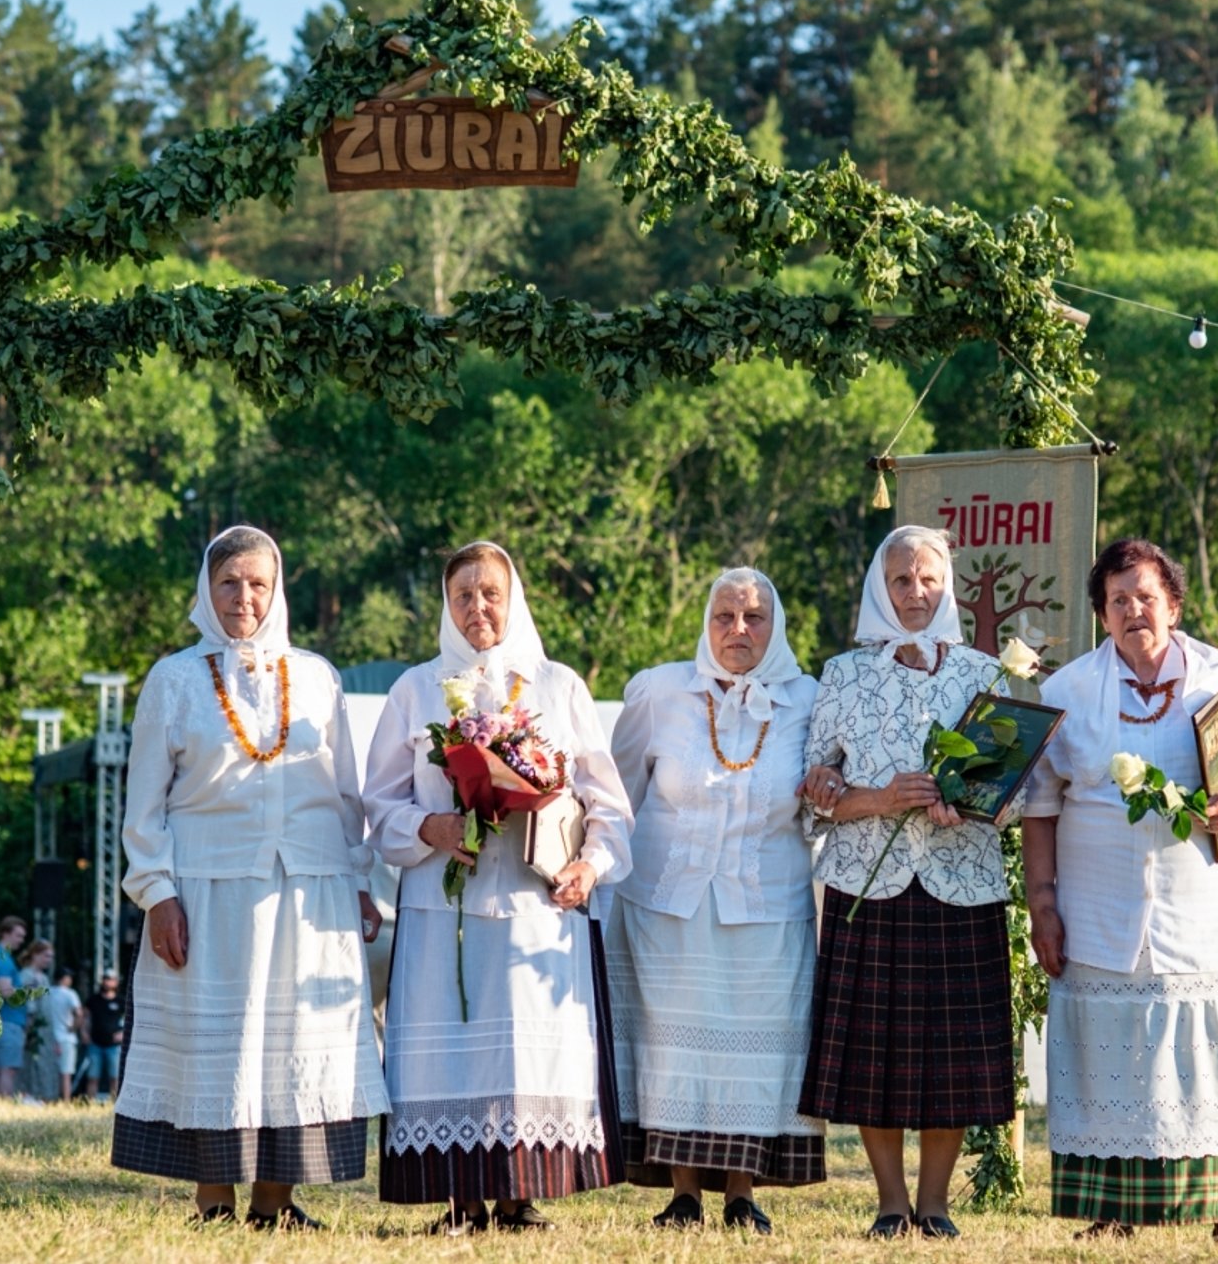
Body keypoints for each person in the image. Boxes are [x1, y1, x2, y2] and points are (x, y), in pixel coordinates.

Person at [114, 525, 389, 1228]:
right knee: (222, 1042)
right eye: (229, 582)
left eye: (257, 583)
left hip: (309, 887)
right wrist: (158, 893)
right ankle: (213, 1201)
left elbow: (347, 795)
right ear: (207, 588)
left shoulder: (319, 676)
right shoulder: (174, 678)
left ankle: (278, 1202)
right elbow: (143, 806)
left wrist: (359, 880)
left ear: (277, 590)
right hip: (210, 889)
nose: (243, 596)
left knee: (293, 1040)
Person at [1022, 538, 1218, 1246]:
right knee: (1114, 1052)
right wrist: (1042, 906)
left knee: (1212, 1055)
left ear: (1172, 603)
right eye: (1118, 600)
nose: (1133, 609)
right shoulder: (1069, 690)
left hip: (1201, 909)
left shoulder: (1217, 678)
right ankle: (1112, 1209)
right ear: (1101, 616)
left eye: (1145, 596)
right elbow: (1040, 806)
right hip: (1097, 910)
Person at [364, 540, 633, 1235]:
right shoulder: (415, 689)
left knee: (521, 1048)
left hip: (535, 905)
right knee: (451, 1037)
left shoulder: (558, 685)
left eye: (490, 593)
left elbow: (606, 800)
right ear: (446, 605)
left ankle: (518, 1194)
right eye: (463, 595)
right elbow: (377, 803)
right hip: (443, 904)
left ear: (513, 600)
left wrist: (590, 865)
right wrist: (431, 827)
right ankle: (460, 1198)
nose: (477, 607)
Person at [792, 525, 1017, 1241]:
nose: (916, 592)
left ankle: (938, 1203)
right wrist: (876, 798)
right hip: (870, 884)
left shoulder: (984, 673)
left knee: (951, 1053)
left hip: (963, 880)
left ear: (946, 583)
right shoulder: (843, 674)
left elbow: (1012, 793)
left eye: (928, 579)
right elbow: (812, 789)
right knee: (873, 1052)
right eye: (900, 580)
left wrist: (974, 803)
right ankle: (890, 1203)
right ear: (878, 589)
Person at [606, 568, 824, 1234]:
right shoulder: (659, 691)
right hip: (666, 906)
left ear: (776, 626)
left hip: (768, 909)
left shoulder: (809, 699)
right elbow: (613, 793)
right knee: (672, 1050)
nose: (738, 629)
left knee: (756, 1049)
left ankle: (740, 1190)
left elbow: (824, 799)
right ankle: (683, 1194)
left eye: (754, 617)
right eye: (725, 615)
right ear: (705, 622)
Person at [0, 916, 29, 1098]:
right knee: (7, 1069)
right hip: (8, 1022)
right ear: (5, 933)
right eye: (18, 935)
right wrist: (29, 992)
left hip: (2, 1022)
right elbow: (5, 991)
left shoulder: (0, 955)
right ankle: (5, 1104)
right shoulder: (2, 957)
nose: (21, 940)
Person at [15, 938, 56, 1102]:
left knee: (44, 1063)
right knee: (31, 1062)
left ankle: (41, 1095)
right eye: (46, 956)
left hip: (45, 1030)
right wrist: (29, 1028)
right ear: (35, 955)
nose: (49, 960)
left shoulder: (43, 977)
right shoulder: (27, 976)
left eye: (51, 957)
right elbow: (29, 1005)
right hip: (33, 1029)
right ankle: (28, 1095)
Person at [83, 970, 124, 1102]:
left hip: (114, 1046)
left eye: (111, 979)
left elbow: (131, 1021)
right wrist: (84, 1033)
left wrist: (123, 1034)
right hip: (95, 1044)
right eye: (106, 978)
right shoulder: (93, 1000)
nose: (108, 981)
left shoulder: (121, 1001)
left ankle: (115, 1104)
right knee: (93, 1076)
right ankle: (90, 1103)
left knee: (115, 1077)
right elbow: (85, 1018)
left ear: (116, 982)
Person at [45, 966, 83, 1103]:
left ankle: (50, 1099)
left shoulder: (48, 992)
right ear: (65, 978)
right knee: (65, 1073)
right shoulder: (70, 994)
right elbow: (79, 1014)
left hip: (50, 1037)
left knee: (50, 1071)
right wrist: (73, 1028)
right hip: (66, 1038)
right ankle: (66, 1101)